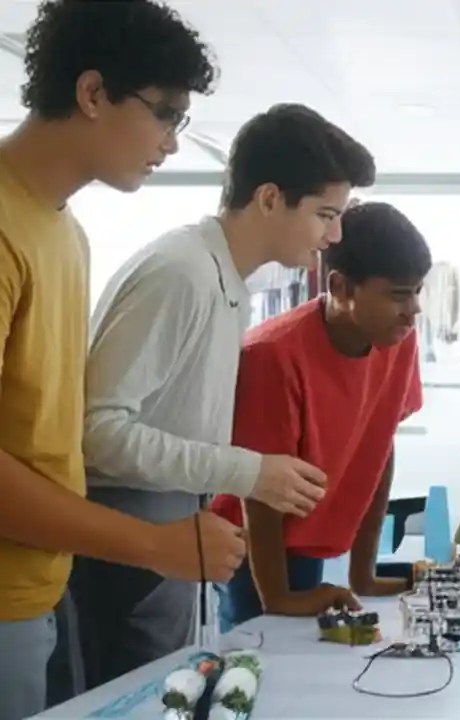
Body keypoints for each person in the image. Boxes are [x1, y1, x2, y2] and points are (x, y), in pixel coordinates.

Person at [70, 104, 376, 688]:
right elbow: (98, 430)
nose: (335, 236)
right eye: (325, 215)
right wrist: (246, 470)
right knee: (128, 695)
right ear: (268, 199)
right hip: (129, 530)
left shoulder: (225, 280)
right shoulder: (181, 272)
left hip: (179, 517)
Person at [0, 3, 247, 717]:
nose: (171, 143)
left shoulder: (63, 231)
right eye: (165, 115)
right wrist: (152, 544)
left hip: (39, 592)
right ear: (92, 93)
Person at [211, 202, 430, 627]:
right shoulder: (272, 356)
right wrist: (277, 597)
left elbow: (377, 448)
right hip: (252, 545)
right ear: (342, 288)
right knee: (257, 667)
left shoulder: (399, 340)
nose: (414, 309)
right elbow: (257, 491)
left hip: (309, 539)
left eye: (418, 291)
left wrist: (363, 573)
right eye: (399, 295)